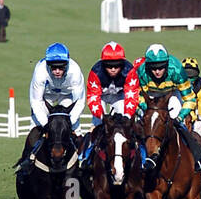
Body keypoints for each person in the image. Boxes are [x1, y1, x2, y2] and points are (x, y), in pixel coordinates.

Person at [132, 43, 201, 173]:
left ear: (166, 65)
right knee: (142, 124)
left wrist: (180, 117)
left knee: (179, 124)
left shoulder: (176, 70)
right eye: (153, 68)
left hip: (171, 94)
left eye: (161, 67)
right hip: (151, 96)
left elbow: (189, 99)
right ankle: (140, 161)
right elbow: (138, 96)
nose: (157, 71)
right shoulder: (142, 71)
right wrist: (146, 108)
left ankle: (198, 160)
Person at [16, 43, 87, 175]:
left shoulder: (75, 72)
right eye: (53, 68)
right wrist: (47, 125)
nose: (57, 71)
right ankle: (27, 162)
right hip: (45, 97)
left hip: (67, 97)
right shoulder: (40, 71)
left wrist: (68, 123)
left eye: (61, 67)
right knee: (35, 130)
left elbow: (79, 101)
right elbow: (36, 101)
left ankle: (82, 163)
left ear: (67, 64)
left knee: (76, 130)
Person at [87, 42, 140, 117]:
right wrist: (101, 116)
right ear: (103, 64)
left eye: (117, 66)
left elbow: (131, 94)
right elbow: (93, 96)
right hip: (101, 97)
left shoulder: (129, 71)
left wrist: (127, 115)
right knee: (98, 121)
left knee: (123, 116)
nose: (113, 69)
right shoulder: (96, 72)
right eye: (109, 66)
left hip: (119, 96)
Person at [182, 56, 201, 182]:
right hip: (180, 115)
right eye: (187, 74)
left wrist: (194, 119)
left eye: (192, 74)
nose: (190, 77)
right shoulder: (176, 82)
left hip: (197, 118)